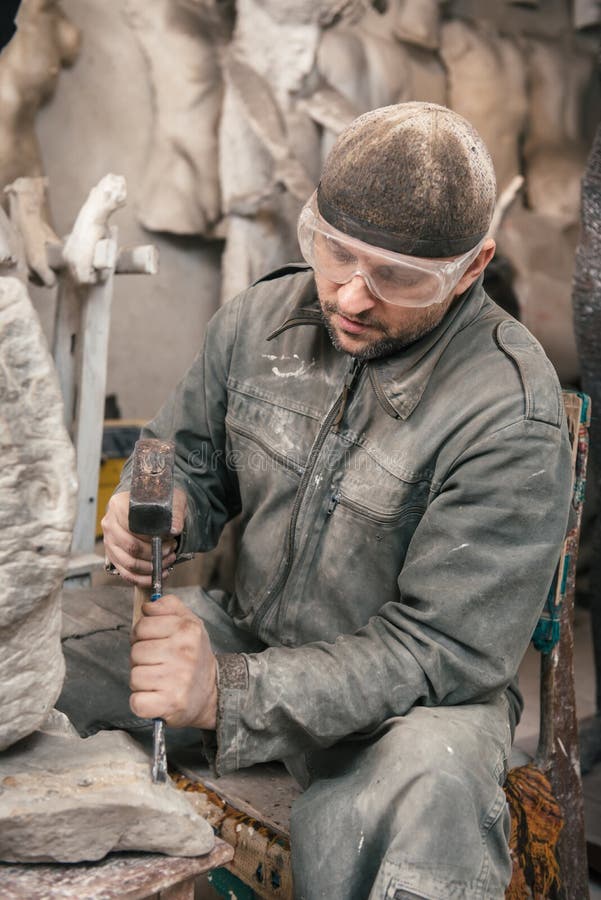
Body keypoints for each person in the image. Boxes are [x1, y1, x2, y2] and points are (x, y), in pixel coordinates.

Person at [102, 102, 572, 899]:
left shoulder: (508, 413)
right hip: (247, 634)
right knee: (43, 650)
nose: (350, 298)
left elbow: (440, 653)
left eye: (395, 276)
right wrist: (160, 507)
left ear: (471, 266)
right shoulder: (261, 319)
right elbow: (180, 455)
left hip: (402, 710)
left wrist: (228, 692)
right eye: (335, 253)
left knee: (435, 781)